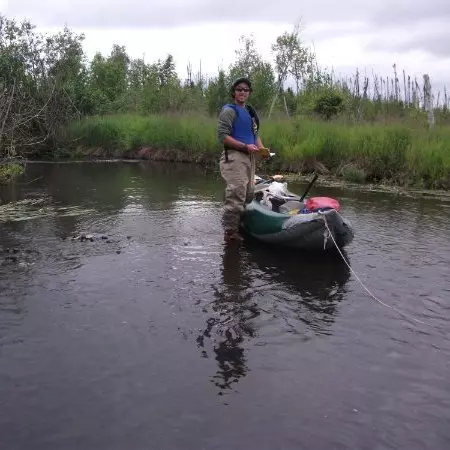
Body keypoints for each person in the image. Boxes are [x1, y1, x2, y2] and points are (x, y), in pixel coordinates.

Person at [217, 77, 267, 243]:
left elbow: (255, 136)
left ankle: (239, 225)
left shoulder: (250, 113)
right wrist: (244, 147)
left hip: (249, 156)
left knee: (248, 194)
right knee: (236, 192)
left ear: (249, 93)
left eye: (246, 90)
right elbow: (223, 137)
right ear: (234, 92)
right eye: (239, 89)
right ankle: (230, 232)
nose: (242, 92)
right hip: (234, 155)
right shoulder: (229, 111)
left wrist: (263, 150)